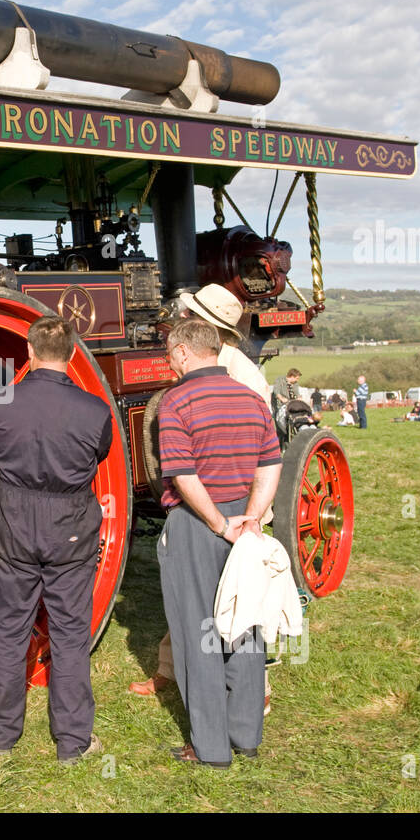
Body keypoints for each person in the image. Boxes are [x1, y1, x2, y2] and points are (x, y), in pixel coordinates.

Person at [130, 283, 273, 701]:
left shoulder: (245, 379)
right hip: (208, 504)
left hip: (236, 505)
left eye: (189, 314)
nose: (182, 318)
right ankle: (171, 669)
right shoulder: (210, 363)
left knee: (238, 600)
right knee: (189, 594)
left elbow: (259, 456)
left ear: (206, 324)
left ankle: (256, 690)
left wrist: (247, 516)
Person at [0, 316, 113, 765]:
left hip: (15, 526)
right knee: (71, 634)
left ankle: (1, 737)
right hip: (70, 528)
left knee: (6, 630)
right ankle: (72, 744)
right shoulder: (95, 411)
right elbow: (100, 454)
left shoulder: (0, 403)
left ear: (29, 350)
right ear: (73, 354)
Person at [156, 318, 281, 767]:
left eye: (170, 354)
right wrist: (252, 518)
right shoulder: (252, 399)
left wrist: (216, 522)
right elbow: (271, 464)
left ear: (185, 353)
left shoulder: (177, 401)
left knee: (199, 633)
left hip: (197, 522)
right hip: (245, 519)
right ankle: (246, 735)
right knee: (244, 624)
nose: (169, 362)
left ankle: (210, 749)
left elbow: (183, 475)